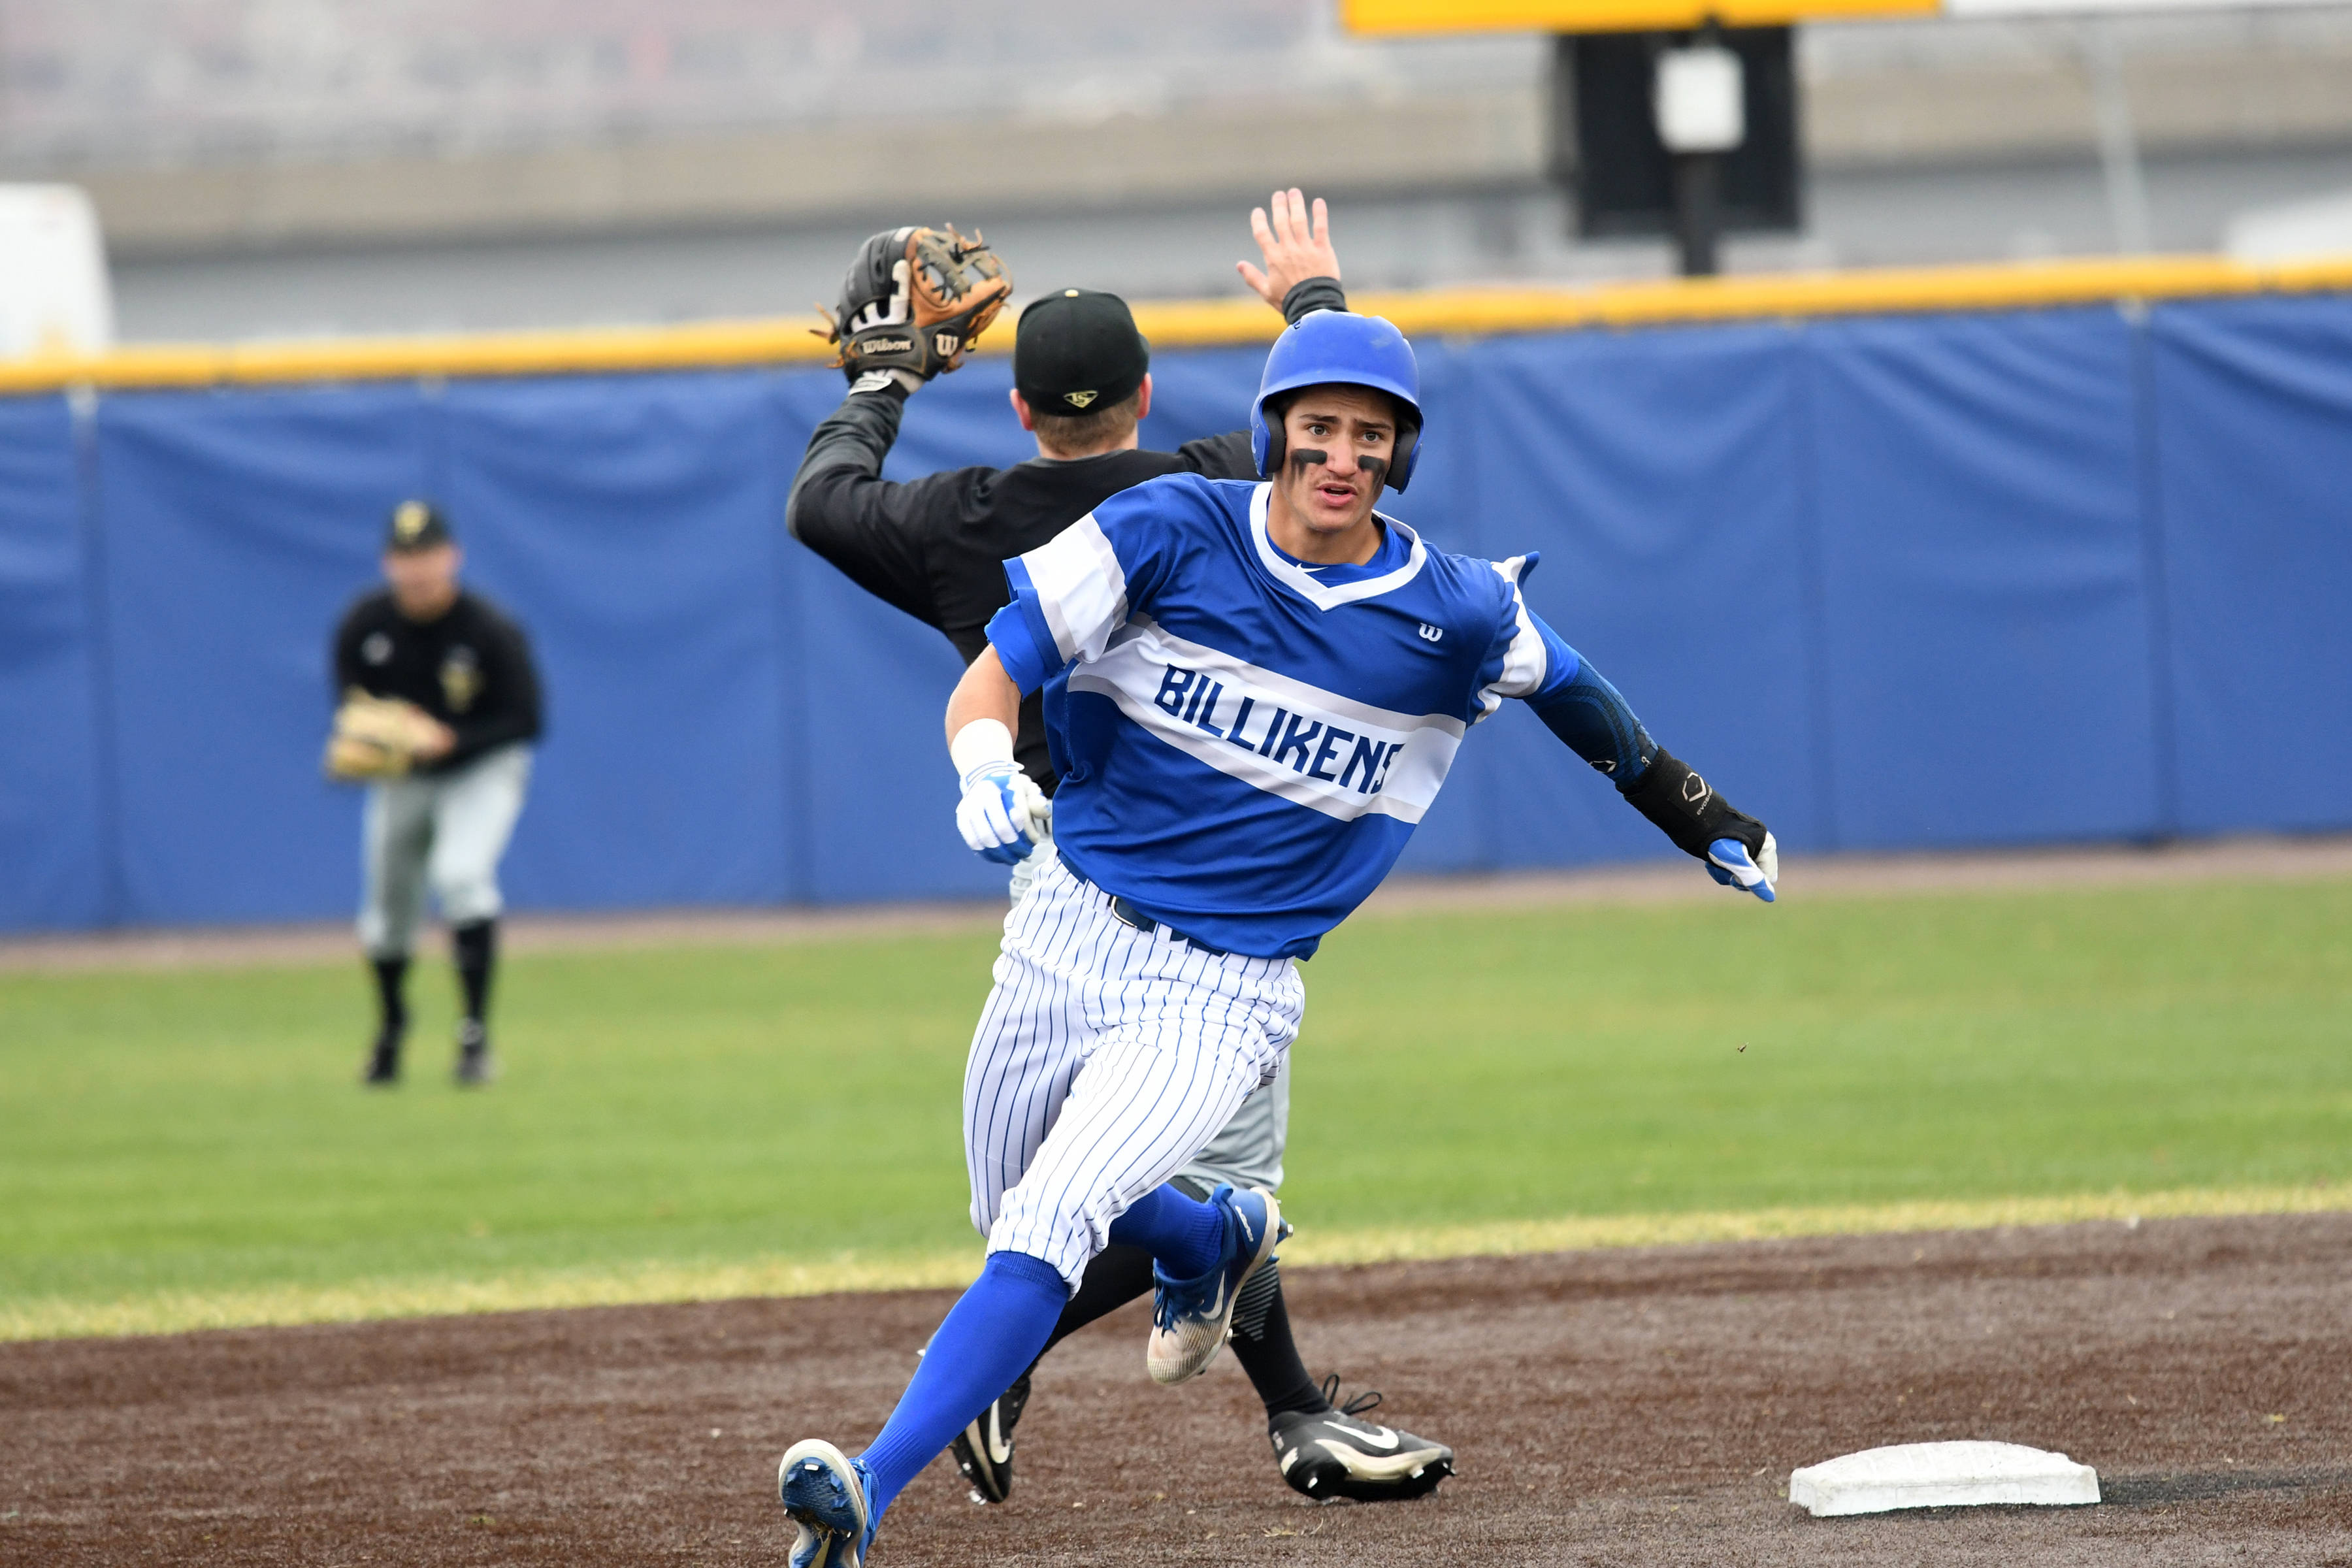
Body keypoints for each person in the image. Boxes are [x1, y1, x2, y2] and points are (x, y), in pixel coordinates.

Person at [772, 293, 1781, 1565]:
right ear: (1275, 432)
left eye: (1372, 434)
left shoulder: (1449, 609)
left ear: (1400, 455)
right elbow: (1003, 662)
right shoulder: (1170, 524)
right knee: (1016, 1206)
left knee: (1048, 1226)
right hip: (1064, 928)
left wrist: (1698, 812)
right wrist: (980, 759)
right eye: (1320, 427)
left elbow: (1578, 694)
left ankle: (864, 1494)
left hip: (1223, 987)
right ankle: (1218, 1235)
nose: (1344, 455)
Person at [787, 193, 1450, 1506]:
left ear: (1021, 409)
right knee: (1217, 1193)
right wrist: (1314, 305)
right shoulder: (1200, 491)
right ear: (1144, 394)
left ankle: (1094, 1375)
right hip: (1205, 870)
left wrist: (882, 382)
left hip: (1053, 875)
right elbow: (1336, 447)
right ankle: (1291, 1418)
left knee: (1057, 1194)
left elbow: (823, 504)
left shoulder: (954, 523)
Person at [329, 500, 543, 1086]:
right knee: (388, 905)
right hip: (404, 777)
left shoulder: (488, 627)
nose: (417, 569)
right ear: (387, 563)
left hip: (483, 769)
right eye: (405, 557)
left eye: (427, 555)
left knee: (460, 873)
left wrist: (452, 739)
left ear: (453, 558)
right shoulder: (365, 625)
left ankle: (474, 1036)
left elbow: (527, 719)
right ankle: (391, 1028)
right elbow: (350, 702)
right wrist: (378, 734)